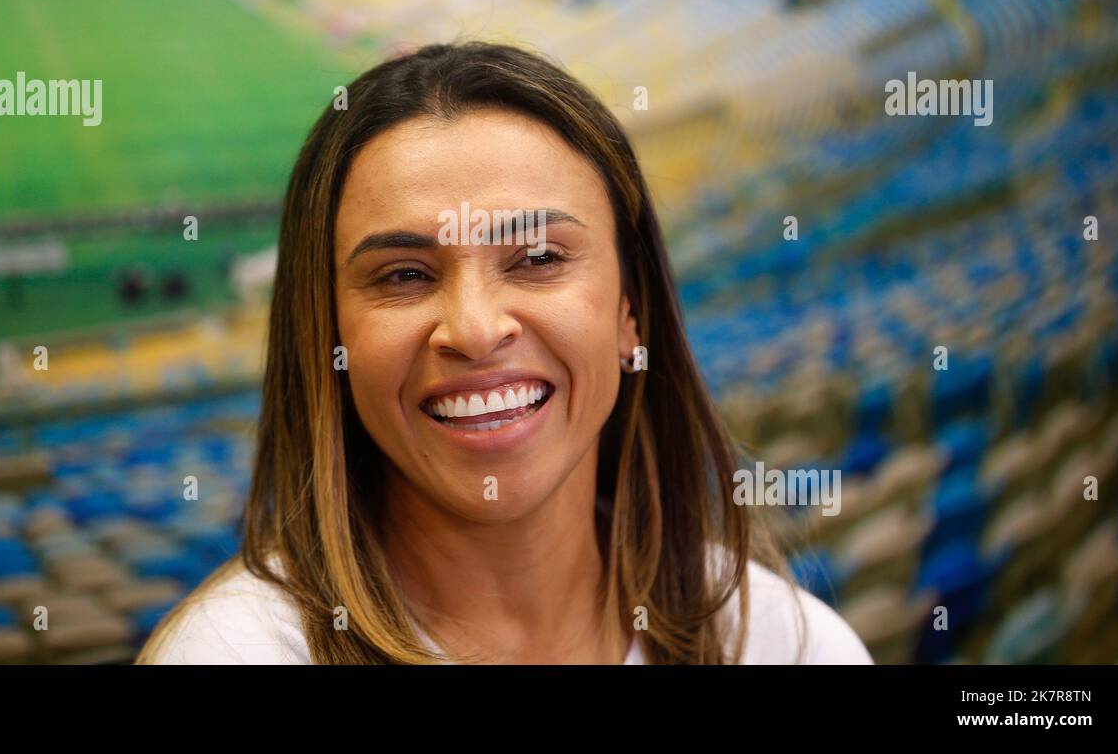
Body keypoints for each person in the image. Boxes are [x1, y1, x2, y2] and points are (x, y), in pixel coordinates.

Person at [139, 41, 872, 664]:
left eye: (539, 258)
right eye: (403, 275)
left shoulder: (786, 643)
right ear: (327, 334)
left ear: (631, 312)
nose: (477, 328)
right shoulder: (233, 652)